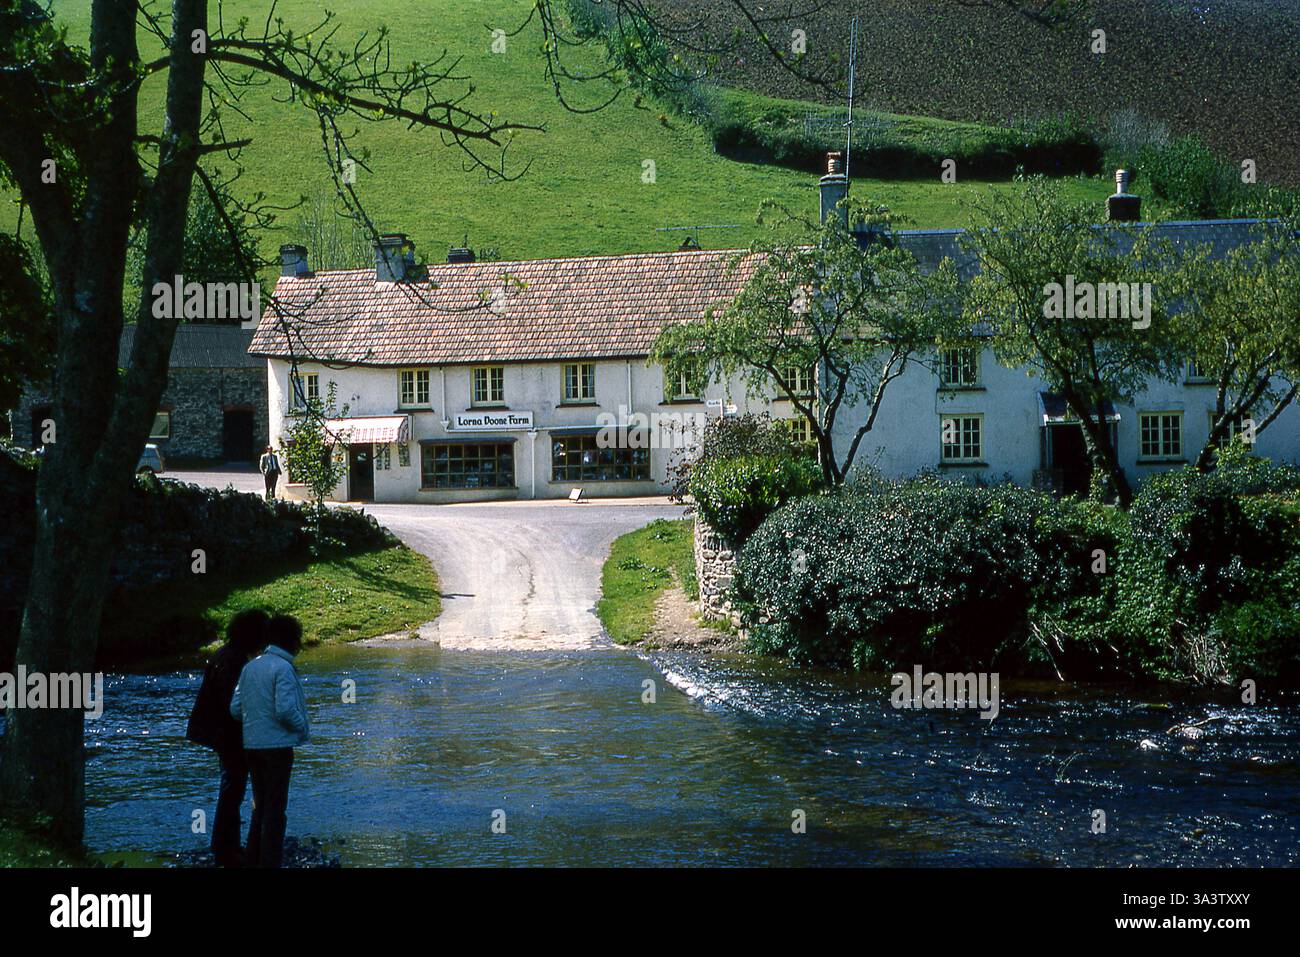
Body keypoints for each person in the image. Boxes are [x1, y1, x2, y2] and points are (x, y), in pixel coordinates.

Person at [186, 609, 269, 867]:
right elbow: (234, 705)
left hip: (220, 731)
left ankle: (226, 845)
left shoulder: (225, 655)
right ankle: (225, 847)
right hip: (228, 733)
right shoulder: (235, 661)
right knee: (232, 788)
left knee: (231, 786)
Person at [230, 614, 310, 868]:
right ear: (291, 640)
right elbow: (285, 710)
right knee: (275, 809)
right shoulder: (283, 668)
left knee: (259, 805)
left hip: (252, 746)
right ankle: (270, 862)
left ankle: (253, 859)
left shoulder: (250, 666)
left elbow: (235, 708)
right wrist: (303, 728)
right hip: (277, 748)